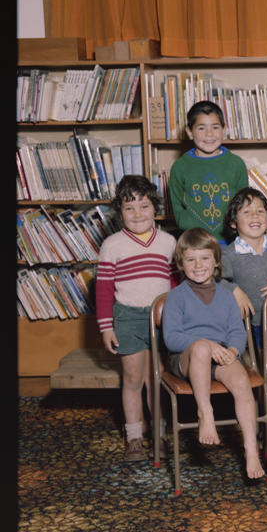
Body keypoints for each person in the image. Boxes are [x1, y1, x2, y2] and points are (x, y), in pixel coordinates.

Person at [161, 228, 265, 480]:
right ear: (181, 264)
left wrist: (231, 350)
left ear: (216, 261)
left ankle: (251, 450)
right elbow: (171, 338)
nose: (198, 265)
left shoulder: (227, 297)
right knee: (200, 347)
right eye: (190, 259)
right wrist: (206, 343)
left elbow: (236, 332)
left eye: (205, 258)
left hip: (219, 355)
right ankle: (205, 412)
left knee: (241, 381)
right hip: (187, 358)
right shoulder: (176, 297)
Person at [96, 175, 176, 462]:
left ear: (155, 208)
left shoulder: (168, 242)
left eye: (144, 206)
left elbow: (176, 286)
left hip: (161, 318)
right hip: (127, 317)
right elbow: (104, 290)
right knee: (132, 378)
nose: (138, 214)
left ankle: (160, 434)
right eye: (129, 208)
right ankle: (133, 438)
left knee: (157, 378)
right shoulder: (112, 245)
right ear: (120, 212)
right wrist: (106, 327)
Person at [221, 187, 267, 370]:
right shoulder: (229, 254)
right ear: (233, 222)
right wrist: (235, 291)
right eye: (246, 212)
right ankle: (266, 395)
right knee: (262, 366)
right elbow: (215, 280)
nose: (255, 216)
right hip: (252, 323)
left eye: (260, 211)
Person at [168, 100, 248, 245]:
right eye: (201, 128)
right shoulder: (180, 167)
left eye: (215, 127)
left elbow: (243, 205)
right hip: (195, 243)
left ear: (224, 130)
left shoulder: (236, 164)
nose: (209, 134)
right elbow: (178, 207)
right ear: (189, 132)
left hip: (231, 243)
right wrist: (189, 226)